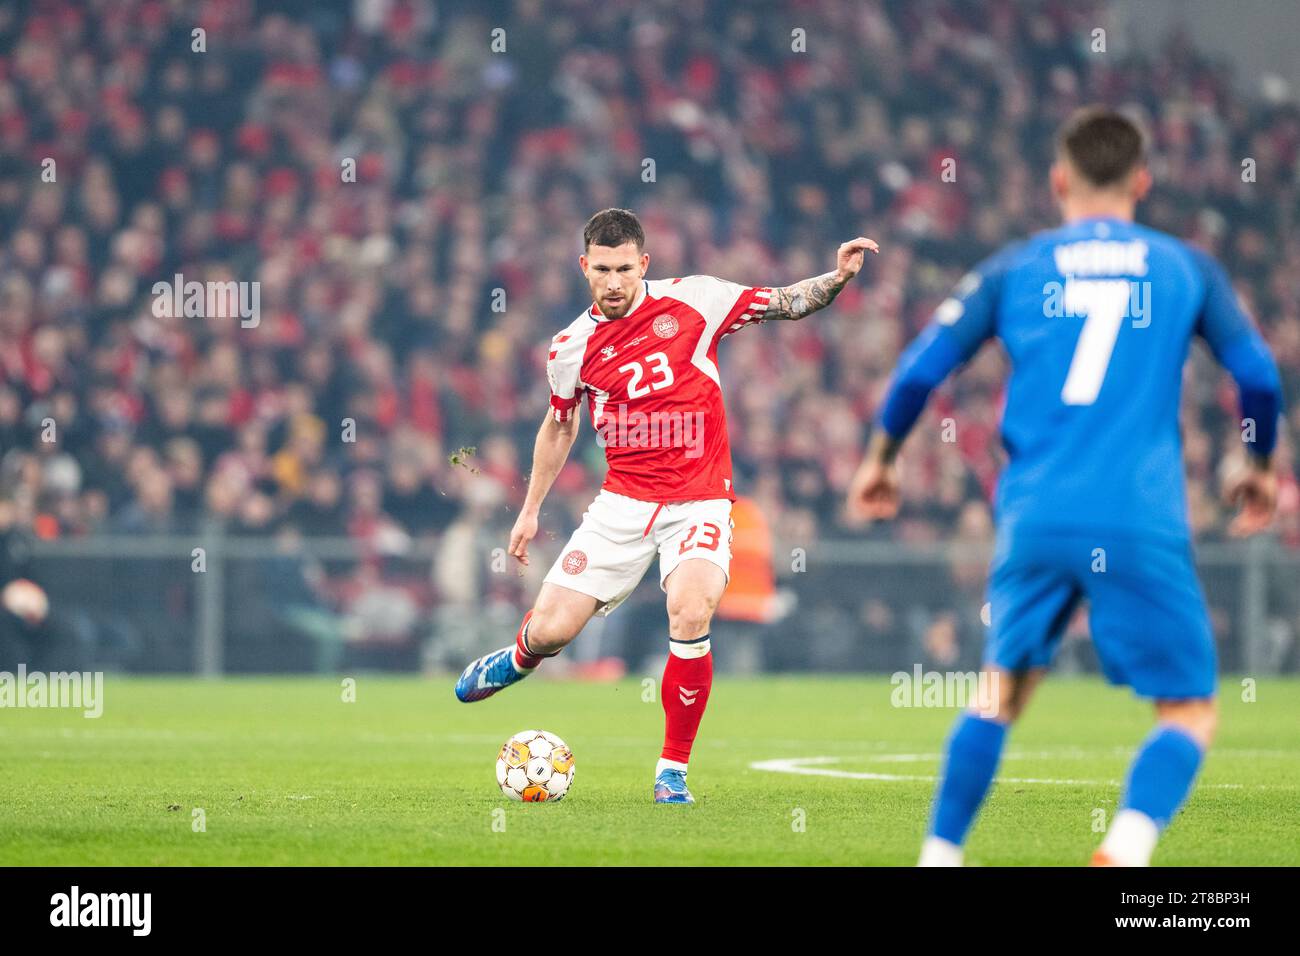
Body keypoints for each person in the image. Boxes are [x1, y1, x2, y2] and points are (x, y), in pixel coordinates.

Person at [847, 107, 1283, 865]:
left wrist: (881, 458)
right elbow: (1259, 379)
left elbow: (919, 369)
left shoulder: (1018, 266)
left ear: (1059, 181)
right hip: (1138, 515)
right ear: (1142, 181)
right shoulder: (1184, 267)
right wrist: (1258, 463)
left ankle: (939, 856)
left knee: (1000, 693)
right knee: (1188, 710)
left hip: (1036, 512)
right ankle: (1125, 846)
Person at [456, 208, 878, 804]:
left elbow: (786, 301)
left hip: (699, 501)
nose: (613, 282)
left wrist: (836, 278)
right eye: (601, 269)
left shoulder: (698, 300)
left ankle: (672, 770)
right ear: (584, 267)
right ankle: (519, 657)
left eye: (624, 268)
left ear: (643, 264)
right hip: (621, 505)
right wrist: (530, 510)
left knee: (690, 611)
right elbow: (558, 427)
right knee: (552, 632)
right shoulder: (570, 347)